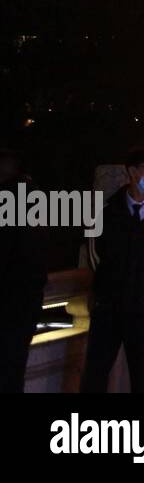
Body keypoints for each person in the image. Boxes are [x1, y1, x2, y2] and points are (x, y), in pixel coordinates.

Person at [81, 144, 144, 393]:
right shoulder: (108, 208)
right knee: (96, 368)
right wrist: (107, 283)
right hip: (109, 303)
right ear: (133, 172)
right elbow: (94, 252)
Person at [0, 148, 48, 393]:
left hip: (9, 299)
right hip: (28, 300)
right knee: (14, 370)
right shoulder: (37, 199)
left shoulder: (9, 200)